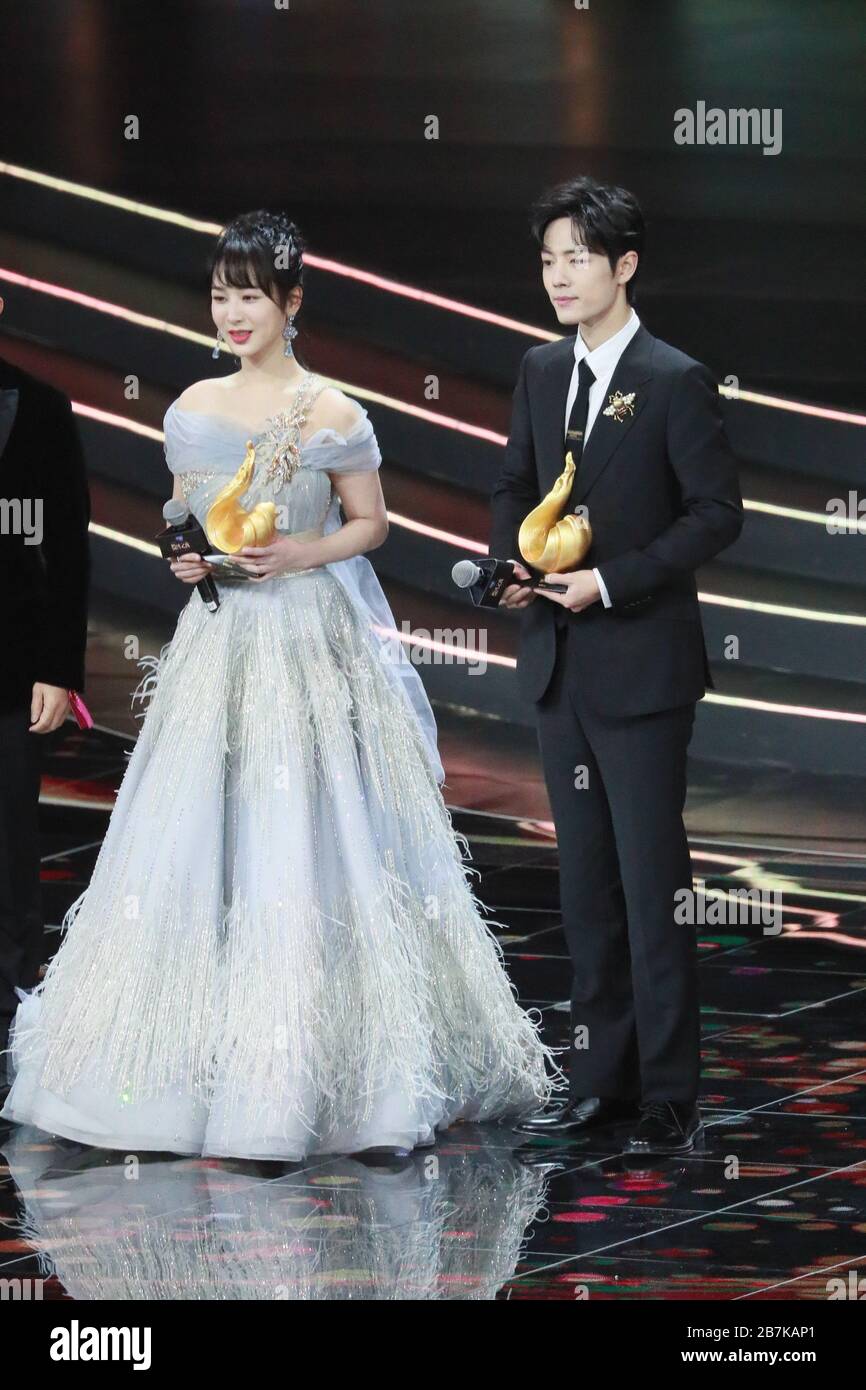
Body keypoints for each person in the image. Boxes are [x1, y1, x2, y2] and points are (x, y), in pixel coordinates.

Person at [0, 210, 565, 1161]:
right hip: (220, 644)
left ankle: (318, 1067)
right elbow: (184, 518)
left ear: (292, 302)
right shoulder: (190, 408)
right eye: (221, 295)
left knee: (312, 828)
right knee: (198, 832)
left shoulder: (335, 412)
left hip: (308, 640)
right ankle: (184, 1063)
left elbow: (372, 526)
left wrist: (303, 551)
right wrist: (186, 560)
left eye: (250, 296)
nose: (232, 313)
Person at [489, 177, 744, 1155]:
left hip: (639, 669)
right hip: (557, 664)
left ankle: (669, 1095)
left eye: (576, 259)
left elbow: (715, 514)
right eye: (547, 259)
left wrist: (611, 581)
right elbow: (513, 481)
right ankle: (598, 1081)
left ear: (622, 265)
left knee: (649, 886)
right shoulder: (537, 370)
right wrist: (513, 563)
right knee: (582, 889)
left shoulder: (673, 378)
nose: (557, 276)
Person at [0, 305, 91, 1099]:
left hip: (16, 661)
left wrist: (61, 670)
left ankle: (13, 997)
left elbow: (69, 547)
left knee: (10, 829)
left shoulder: (42, 408)